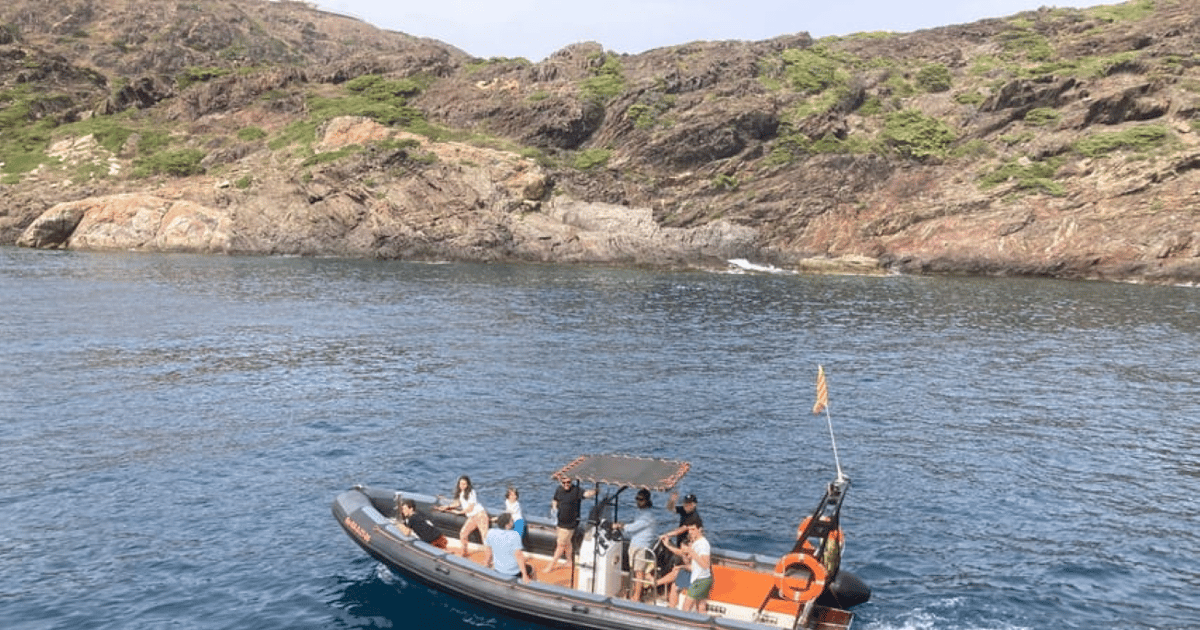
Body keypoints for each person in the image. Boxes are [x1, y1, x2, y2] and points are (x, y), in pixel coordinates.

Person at [544, 475, 594, 573]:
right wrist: (554, 507)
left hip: (569, 524)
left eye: (568, 482)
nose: (566, 485)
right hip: (560, 522)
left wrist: (594, 491)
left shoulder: (576, 490)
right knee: (567, 543)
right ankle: (569, 561)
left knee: (560, 545)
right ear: (561, 483)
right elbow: (555, 499)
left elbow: (586, 494)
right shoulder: (559, 489)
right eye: (564, 483)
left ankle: (551, 565)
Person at [613, 488, 657, 601]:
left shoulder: (648, 516)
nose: (638, 502)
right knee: (634, 570)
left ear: (647, 500)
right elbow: (631, 527)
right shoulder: (640, 513)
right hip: (634, 544)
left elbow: (633, 527)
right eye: (637, 499)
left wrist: (621, 526)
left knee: (639, 572)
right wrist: (623, 527)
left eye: (641, 499)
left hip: (640, 547)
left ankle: (636, 597)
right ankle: (632, 591)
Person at [661, 522, 712, 613]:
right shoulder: (697, 543)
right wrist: (667, 545)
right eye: (689, 529)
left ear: (699, 530)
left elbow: (705, 565)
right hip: (702, 579)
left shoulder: (703, 545)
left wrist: (691, 552)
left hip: (700, 580)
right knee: (701, 607)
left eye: (693, 529)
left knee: (686, 609)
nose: (690, 532)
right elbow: (683, 553)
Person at [436, 475, 489, 557]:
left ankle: (490, 557)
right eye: (461, 484)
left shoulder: (471, 492)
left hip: (480, 515)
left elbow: (470, 507)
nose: (462, 486)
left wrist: (460, 512)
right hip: (472, 517)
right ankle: (464, 552)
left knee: (484, 537)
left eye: (464, 484)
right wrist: (447, 507)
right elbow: (457, 503)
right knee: (463, 534)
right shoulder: (461, 493)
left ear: (468, 484)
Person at [484, 512, 530, 581]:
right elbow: (519, 556)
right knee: (532, 568)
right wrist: (524, 575)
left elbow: (489, 553)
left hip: (498, 568)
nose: (513, 521)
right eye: (511, 520)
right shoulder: (515, 535)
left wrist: (486, 566)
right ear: (508, 525)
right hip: (513, 572)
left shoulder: (490, 532)